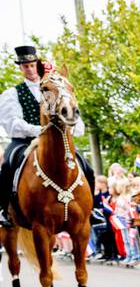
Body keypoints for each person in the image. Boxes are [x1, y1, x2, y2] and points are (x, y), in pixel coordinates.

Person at [0, 46, 87, 225]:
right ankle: (3, 210)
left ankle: (90, 210)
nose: (30, 69)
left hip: (57, 141)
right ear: (21, 68)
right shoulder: (13, 93)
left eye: (32, 65)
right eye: (26, 66)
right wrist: (39, 130)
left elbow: (71, 113)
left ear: (38, 66)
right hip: (24, 141)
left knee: (86, 165)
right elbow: (13, 124)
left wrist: (72, 127)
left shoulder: (55, 87)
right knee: (8, 163)